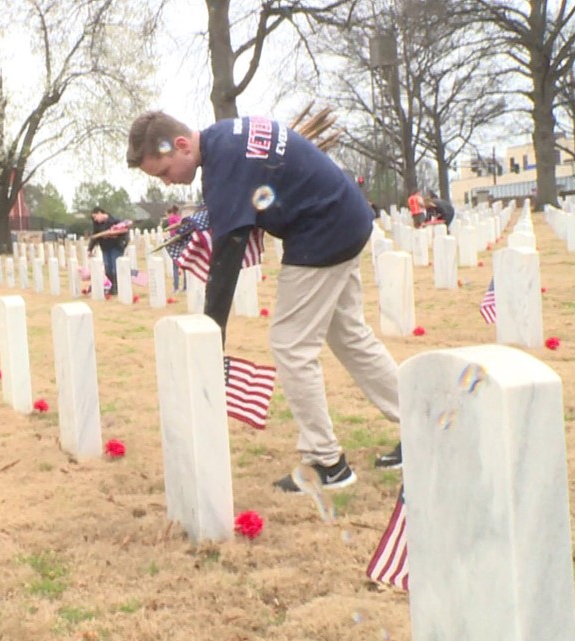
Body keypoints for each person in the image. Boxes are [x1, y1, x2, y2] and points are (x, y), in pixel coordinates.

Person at [127, 111, 404, 492]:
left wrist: (212, 334)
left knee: (291, 344)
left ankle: (327, 463)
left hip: (323, 231)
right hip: (345, 215)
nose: (168, 181)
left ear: (181, 145)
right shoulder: (227, 137)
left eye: (163, 171)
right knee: (350, 335)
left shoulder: (224, 163)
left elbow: (228, 256)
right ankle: (421, 423)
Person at [86, 206, 129, 296]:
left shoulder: (115, 221)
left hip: (116, 247)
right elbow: (95, 237)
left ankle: (118, 286)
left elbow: (125, 232)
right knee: (108, 268)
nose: (95, 220)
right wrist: (90, 249)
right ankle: (112, 287)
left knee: (115, 267)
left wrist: (123, 243)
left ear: (100, 213)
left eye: (95, 217)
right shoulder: (97, 225)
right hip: (105, 248)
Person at [163, 204, 186, 292]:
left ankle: (176, 287)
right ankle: (185, 287)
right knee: (184, 265)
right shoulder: (179, 218)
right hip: (182, 241)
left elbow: (171, 230)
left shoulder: (171, 219)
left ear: (170, 213)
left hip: (175, 242)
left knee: (175, 266)